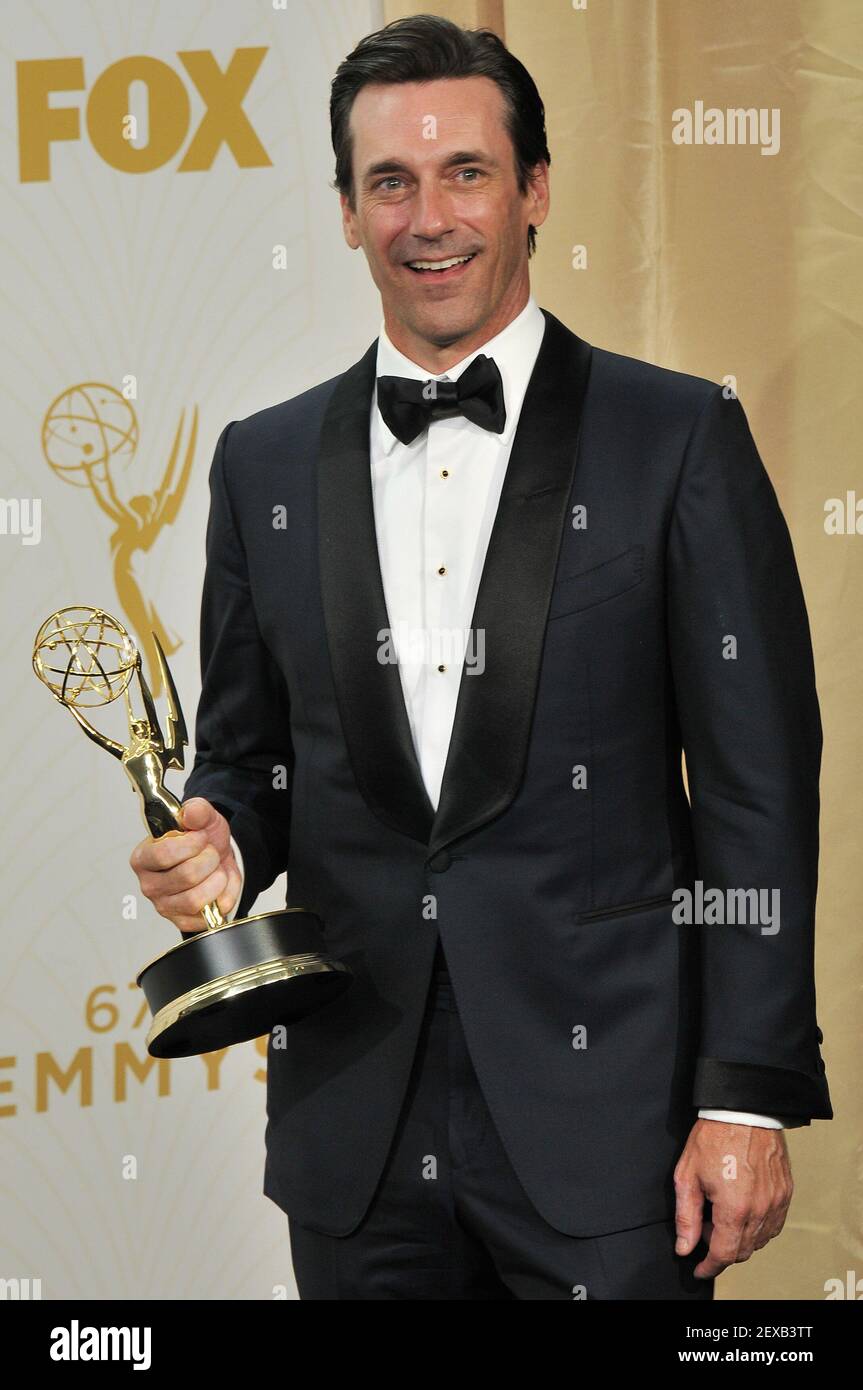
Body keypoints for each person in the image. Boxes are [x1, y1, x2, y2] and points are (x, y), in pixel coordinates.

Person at [129, 15, 832, 1300]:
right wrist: (222, 836)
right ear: (344, 212)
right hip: (356, 1121)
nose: (427, 215)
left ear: (533, 192)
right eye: (388, 180)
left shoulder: (675, 436)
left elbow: (756, 791)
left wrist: (747, 1094)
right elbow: (252, 751)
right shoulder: (261, 461)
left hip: (612, 1125)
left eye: (465, 171)